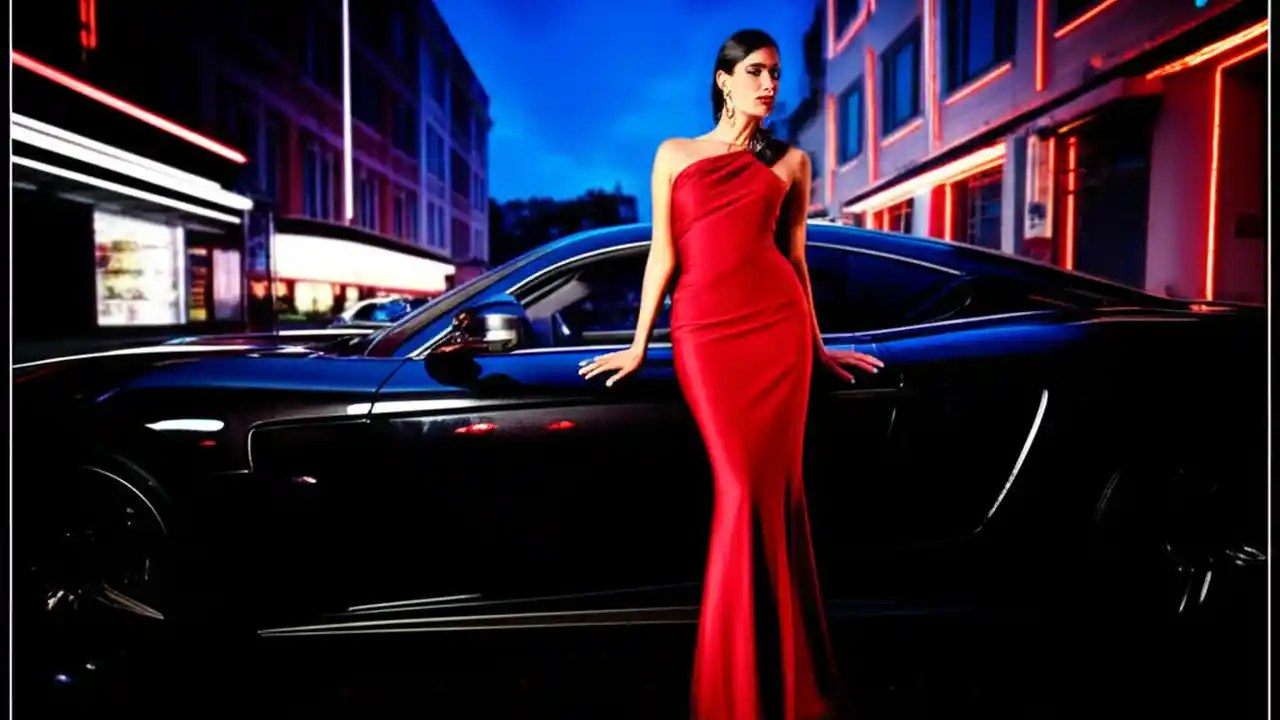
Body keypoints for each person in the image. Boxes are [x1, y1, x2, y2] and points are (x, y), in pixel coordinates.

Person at [578, 29, 884, 720]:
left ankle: (786, 681)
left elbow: (797, 265)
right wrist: (637, 345)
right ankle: (735, 688)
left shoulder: (792, 164)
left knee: (776, 497)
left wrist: (820, 349)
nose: (769, 84)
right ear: (723, 80)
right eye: (755, 72)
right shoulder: (674, 154)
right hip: (706, 338)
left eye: (776, 73)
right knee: (741, 490)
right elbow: (663, 253)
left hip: (776, 333)